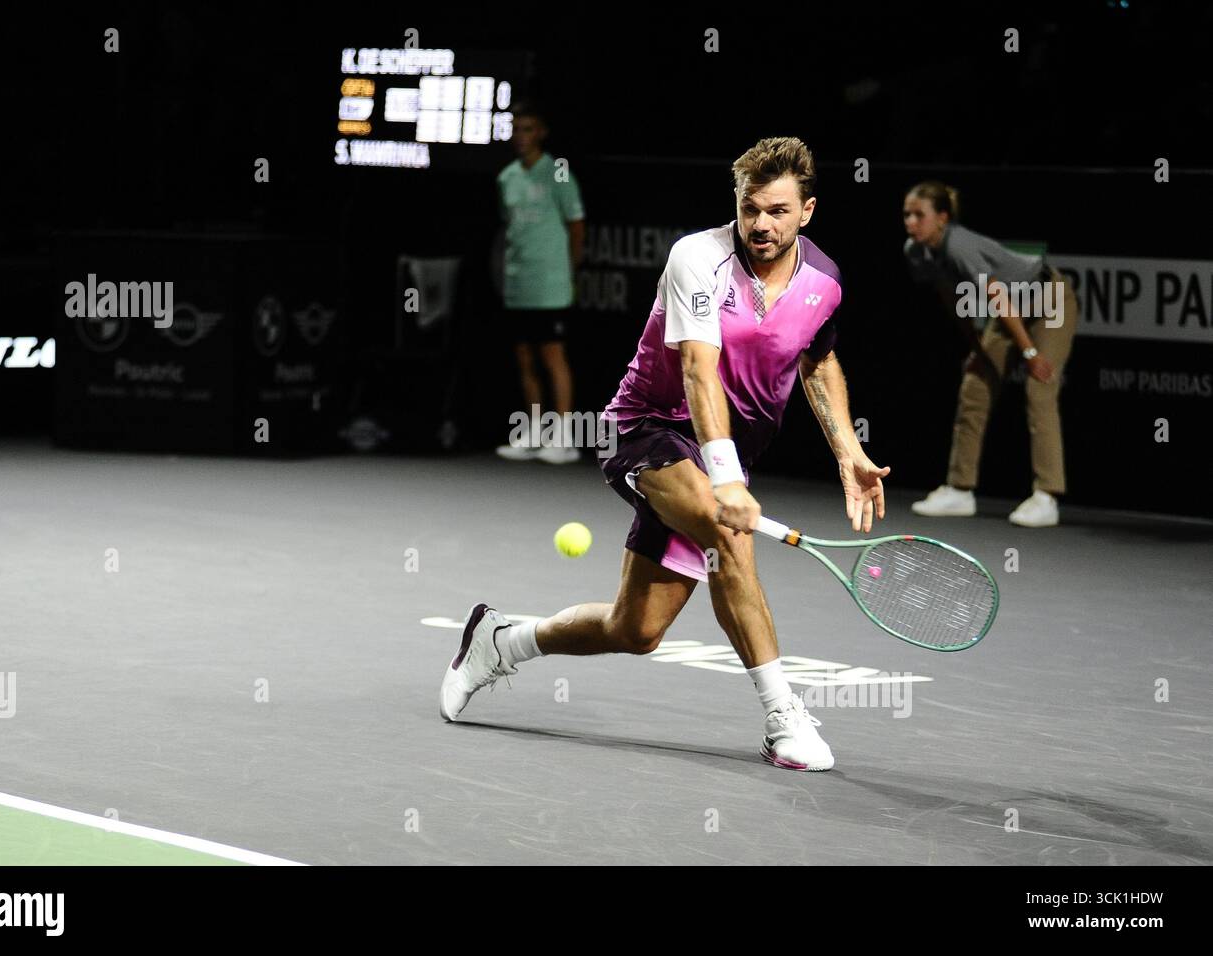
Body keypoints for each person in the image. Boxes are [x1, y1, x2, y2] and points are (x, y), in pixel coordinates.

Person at [442, 137, 890, 772]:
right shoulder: (696, 259)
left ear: (807, 212)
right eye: (750, 208)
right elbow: (699, 376)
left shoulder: (825, 283)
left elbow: (819, 360)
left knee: (637, 630)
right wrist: (728, 482)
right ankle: (783, 717)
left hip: (718, 458)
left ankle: (502, 640)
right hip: (648, 429)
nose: (761, 224)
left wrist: (848, 449)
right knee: (725, 532)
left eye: (778, 211)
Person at [902, 181, 1079, 527]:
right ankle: (959, 490)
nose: (910, 221)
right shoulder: (916, 250)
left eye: (918, 215)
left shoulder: (959, 246)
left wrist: (1029, 352)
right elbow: (950, 296)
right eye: (906, 214)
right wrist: (977, 347)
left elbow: (998, 296)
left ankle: (1046, 497)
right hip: (1010, 310)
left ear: (942, 218)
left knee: (1039, 386)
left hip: (1048, 299)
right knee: (976, 384)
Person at [493, 100, 586, 464]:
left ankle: (562, 436)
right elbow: (508, 230)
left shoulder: (559, 172)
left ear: (541, 133)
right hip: (518, 284)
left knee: (552, 356)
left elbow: (576, 226)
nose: (521, 136)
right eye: (516, 129)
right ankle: (532, 432)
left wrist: (570, 270)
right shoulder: (506, 178)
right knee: (525, 359)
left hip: (552, 284)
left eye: (528, 129)